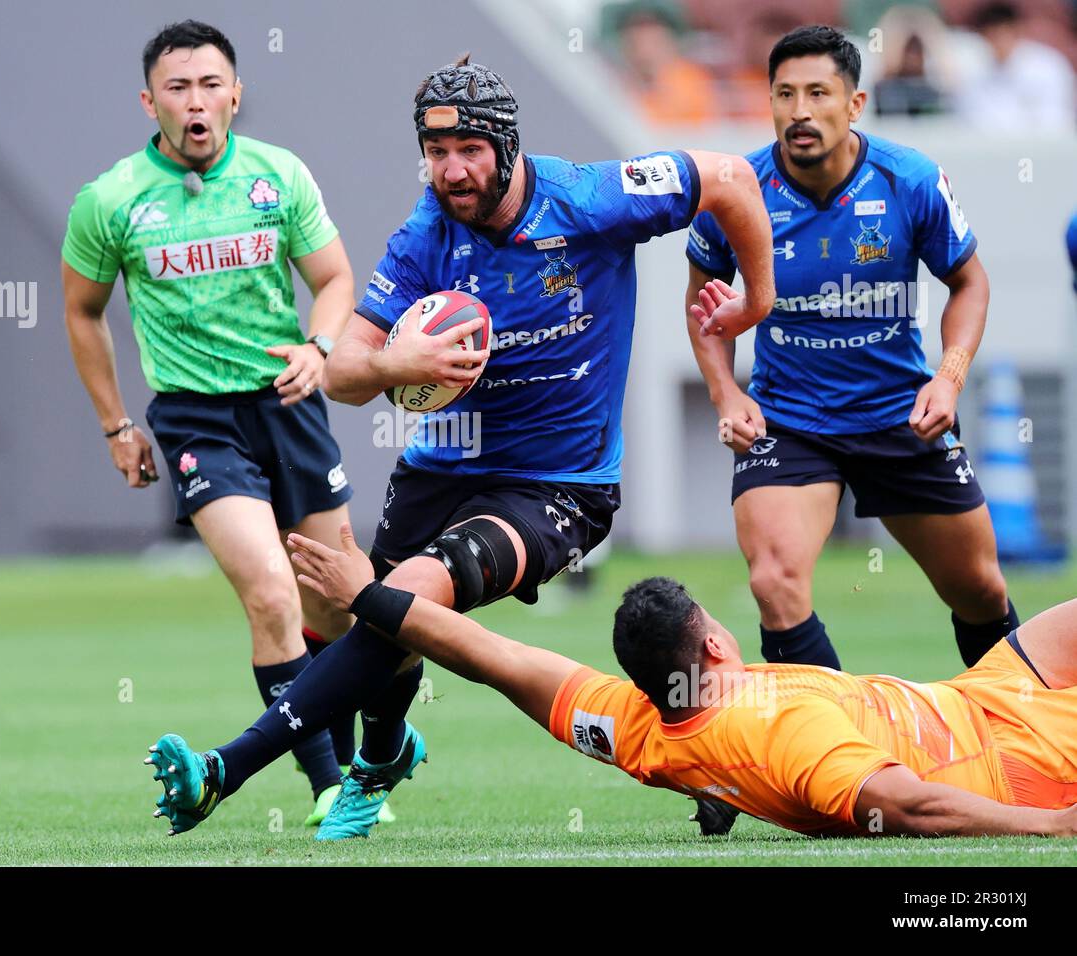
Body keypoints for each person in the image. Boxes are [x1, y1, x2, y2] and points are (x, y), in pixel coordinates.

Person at [144, 53, 776, 840]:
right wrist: (391, 365)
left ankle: (224, 771)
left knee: (398, 594)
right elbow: (339, 371)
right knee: (384, 619)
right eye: (436, 153)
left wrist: (758, 297)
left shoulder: (588, 198)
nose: (450, 171)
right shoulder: (425, 236)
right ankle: (381, 759)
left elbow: (732, 179)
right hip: (439, 468)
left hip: (557, 484)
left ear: (507, 146)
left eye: (468, 150)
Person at [268, 526, 1077, 839]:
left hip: (983, 686)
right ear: (717, 643)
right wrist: (1049, 829)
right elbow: (906, 804)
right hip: (1012, 757)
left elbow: (492, 656)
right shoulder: (783, 733)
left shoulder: (640, 723)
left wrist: (368, 596)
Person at [61, 20, 358, 825]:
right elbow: (82, 312)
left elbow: (334, 278)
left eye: (209, 85)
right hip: (196, 421)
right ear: (149, 101)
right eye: (177, 88)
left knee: (337, 603)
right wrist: (118, 425)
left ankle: (375, 759)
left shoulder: (277, 176)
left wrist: (320, 345)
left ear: (235, 93)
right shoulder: (112, 199)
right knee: (270, 594)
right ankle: (332, 787)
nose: (195, 102)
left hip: (288, 405)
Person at [686, 24, 1015, 677]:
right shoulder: (735, 190)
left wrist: (948, 379)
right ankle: (843, 760)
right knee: (775, 584)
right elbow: (702, 307)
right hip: (790, 420)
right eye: (784, 94)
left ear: (855, 104)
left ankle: (1025, 742)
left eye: (818, 93)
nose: (800, 111)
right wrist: (727, 393)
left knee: (979, 590)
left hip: (900, 415)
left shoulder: (909, 179)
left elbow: (969, 282)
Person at [954, 1, 1075, 132]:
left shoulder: (1047, 66)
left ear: (1017, 31)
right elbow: (973, 119)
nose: (998, 42)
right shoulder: (975, 72)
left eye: (1002, 34)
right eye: (991, 36)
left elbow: (1055, 121)